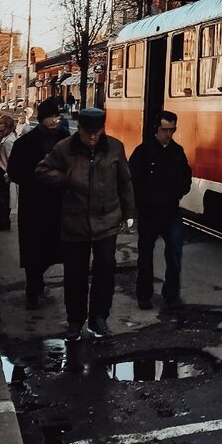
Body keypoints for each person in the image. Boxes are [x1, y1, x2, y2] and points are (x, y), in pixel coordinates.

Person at [35, 106, 135, 341]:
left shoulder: (114, 148)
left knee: (105, 270)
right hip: (74, 222)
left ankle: (99, 318)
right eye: (87, 132)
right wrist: (67, 178)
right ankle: (74, 321)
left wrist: (129, 212)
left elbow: (125, 182)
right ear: (78, 129)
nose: (92, 137)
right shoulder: (65, 149)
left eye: (96, 132)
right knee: (75, 274)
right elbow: (41, 171)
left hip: (107, 220)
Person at [7, 98, 71, 309]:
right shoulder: (25, 143)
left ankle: (37, 282)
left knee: (53, 246)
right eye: (51, 117)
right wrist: (36, 179)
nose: (55, 120)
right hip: (34, 203)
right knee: (34, 247)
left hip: (57, 202)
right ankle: (32, 289)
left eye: (57, 116)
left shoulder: (64, 138)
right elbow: (15, 171)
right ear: (42, 118)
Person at [128, 111, 192, 311]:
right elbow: (133, 180)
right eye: (165, 130)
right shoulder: (143, 152)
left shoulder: (177, 151)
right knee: (145, 256)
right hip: (149, 213)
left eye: (172, 129)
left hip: (171, 211)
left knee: (174, 253)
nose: (169, 134)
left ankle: (171, 294)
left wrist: (179, 191)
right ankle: (144, 296)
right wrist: (141, 203)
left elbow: (186, 177)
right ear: (156, 129)